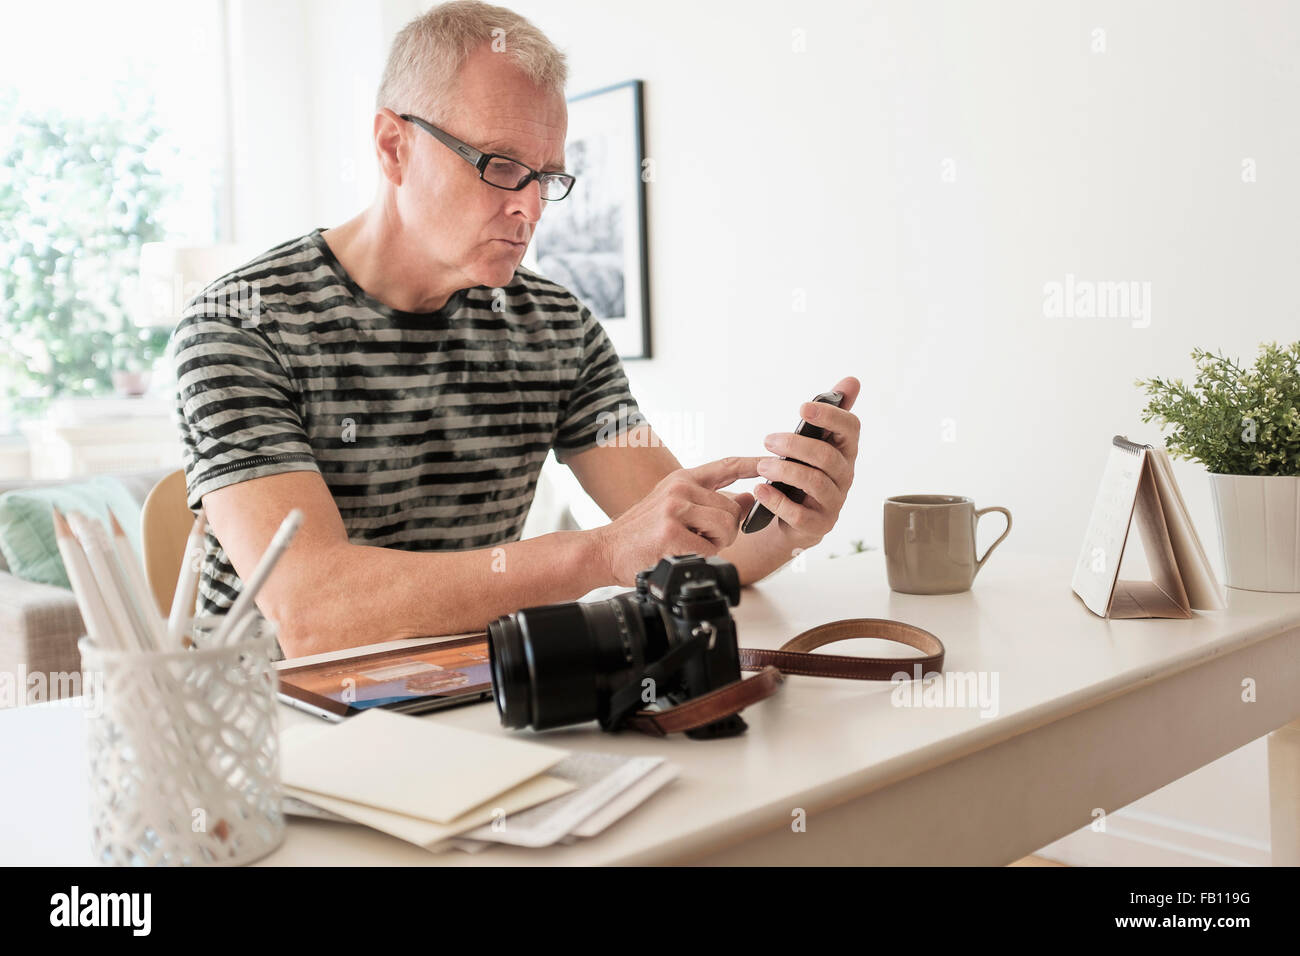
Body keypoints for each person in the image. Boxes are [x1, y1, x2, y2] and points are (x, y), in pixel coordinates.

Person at [172, 1, 861, 658]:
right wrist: (599, 554)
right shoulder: (240, 325)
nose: (530, 207)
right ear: (392, 146)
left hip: (477, 702)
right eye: (500, 167)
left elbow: (688, 549)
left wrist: (793, 524)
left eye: (546, 178)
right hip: (265, 729)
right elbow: (313, 613)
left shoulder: (558, 329)